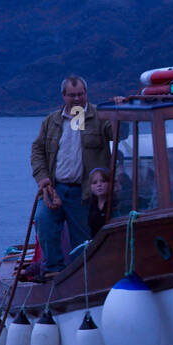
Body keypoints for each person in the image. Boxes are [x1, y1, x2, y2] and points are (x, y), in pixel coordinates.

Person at [30, 76, 114, 275]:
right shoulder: (51, 121)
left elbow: (121, 134)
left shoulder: (100, 118)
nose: (77, 99)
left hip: (83, 191)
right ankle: (53, 271)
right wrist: (42, 177)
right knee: (44, 221)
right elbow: (37, 150)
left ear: (86, 93)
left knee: (83, 239)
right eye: (72, 95)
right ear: (64, 96)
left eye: (81, 94)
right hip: (54, 188)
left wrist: (118, 109)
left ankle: (82, 276)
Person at [87, 167, 112, 238]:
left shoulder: (114, 205)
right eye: (94, 182)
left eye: (103, 181)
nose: (99, 185)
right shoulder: (90, 206)